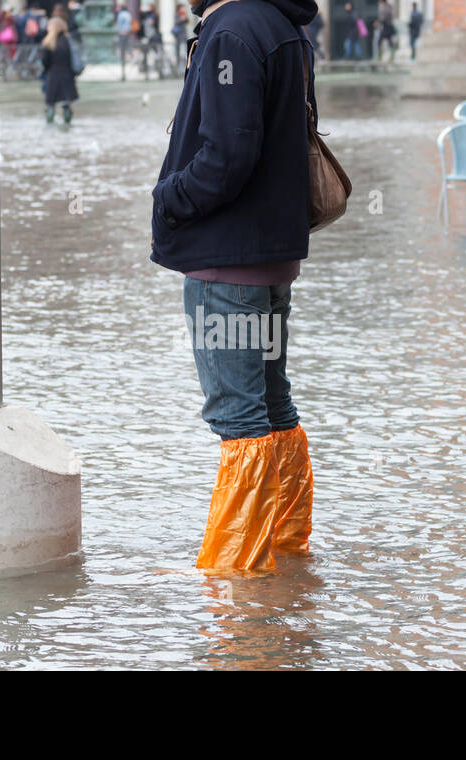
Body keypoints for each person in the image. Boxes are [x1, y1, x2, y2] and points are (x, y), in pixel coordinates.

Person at [151, 0, 318, 573]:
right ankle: (283, 547)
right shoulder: (281, 25)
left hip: (227, 264)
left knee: (240, 420)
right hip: (268, 259)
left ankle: (234, 576)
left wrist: (169, 198)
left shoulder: (231, 30)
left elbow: (228, 153)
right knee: (272, 406)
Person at [40, 15, 77, 124]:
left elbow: (44, 62)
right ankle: (67, 125)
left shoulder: (48, 42)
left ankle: (50, 126)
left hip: (53, 75)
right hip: (67, 75)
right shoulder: (68, 41)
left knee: (51, 103)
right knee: (66, 103)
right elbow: (73, 59)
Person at [113, 2, 131, 81]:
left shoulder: (121, 14)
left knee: (122, 47)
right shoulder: (128, 13)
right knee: (126, 46)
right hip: (127, 31)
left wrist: (119, 30)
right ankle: (128, 58)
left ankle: (123, 60)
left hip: (122, 32)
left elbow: (120, 24)